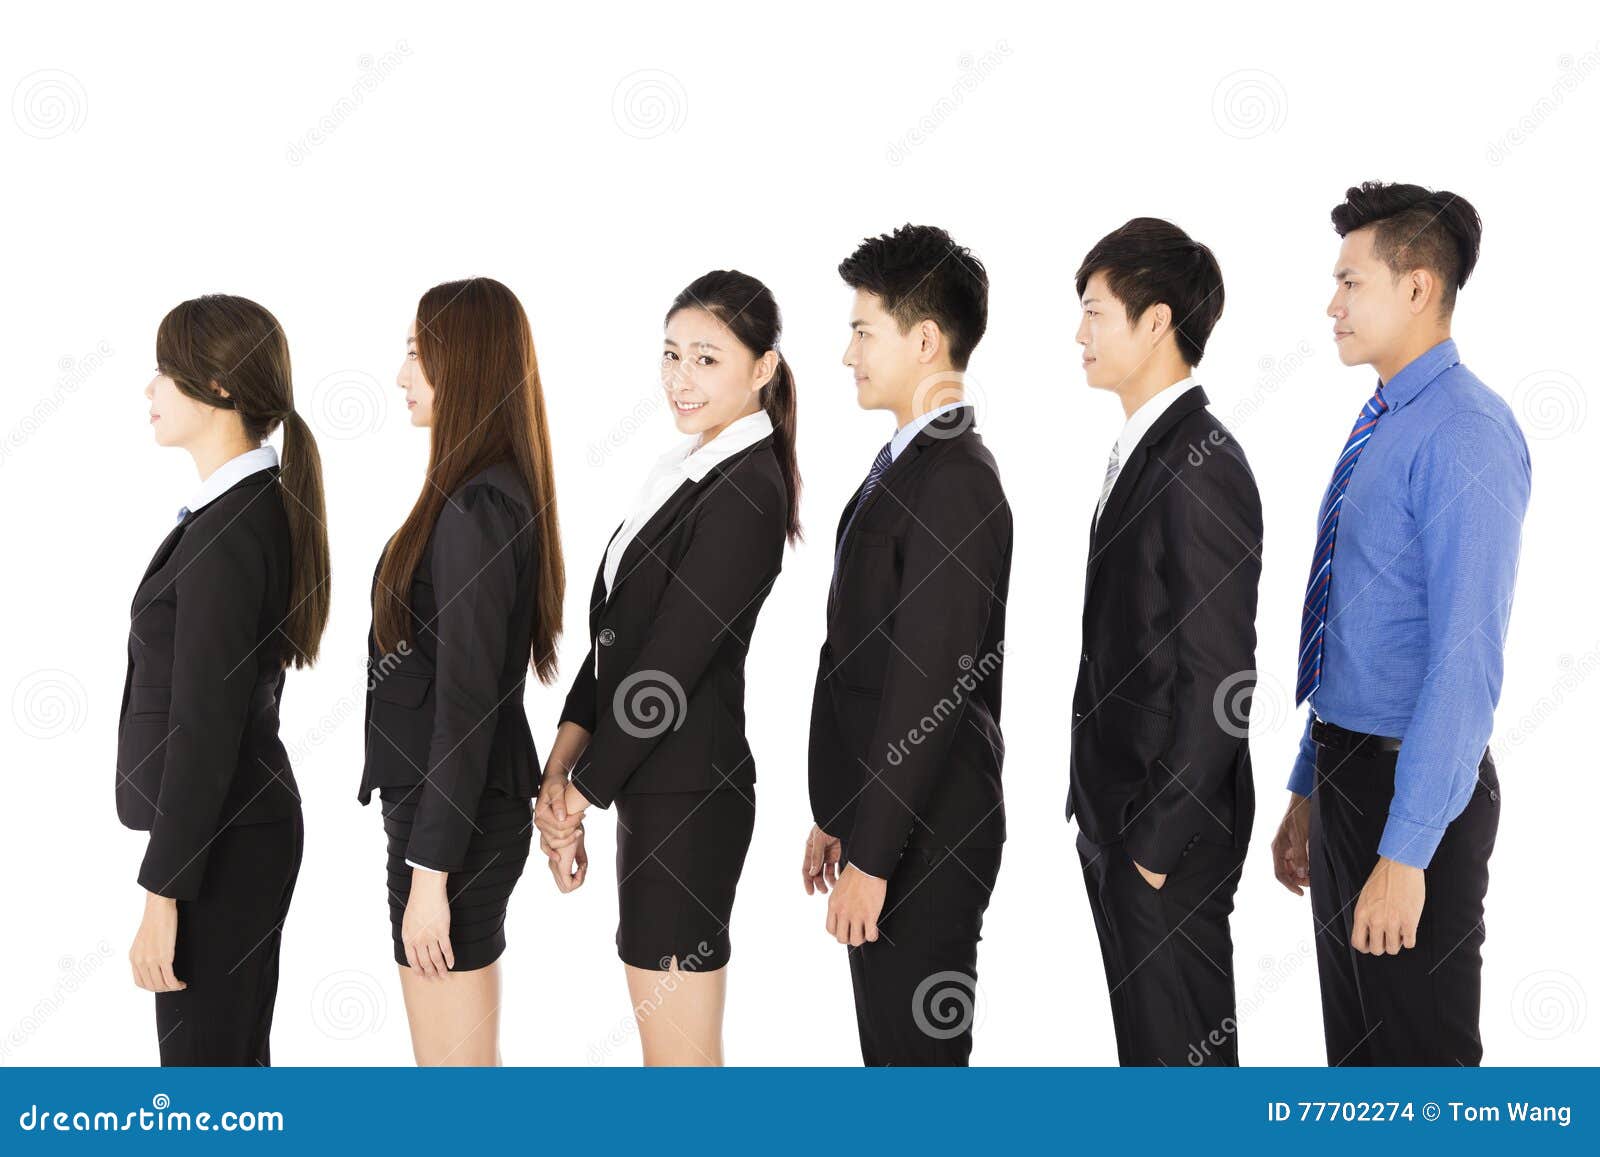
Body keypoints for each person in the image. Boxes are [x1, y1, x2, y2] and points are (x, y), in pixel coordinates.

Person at [1271, 182, 1530, 1065]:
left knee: (1422, 1081)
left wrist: (1408, 850)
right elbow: (1360, 621)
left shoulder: (1464, 431)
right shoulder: (1386, 417)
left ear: (1417, 287)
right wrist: (1309, 782)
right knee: (1358, 1069)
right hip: (1348, 774)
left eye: (1351, 282)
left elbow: (1466, 659)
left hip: (1414, 793)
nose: (1332, 305)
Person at [535, 270, 800, 1066]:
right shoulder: (687, 469)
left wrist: (579, 795)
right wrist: (558, 774)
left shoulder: (747, 488)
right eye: (671, 354)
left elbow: (669, 666)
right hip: (651, 790)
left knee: (680, 1066)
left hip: (690, 800)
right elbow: (613, 645)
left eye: (707, 359)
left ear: (762, 367)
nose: (681, 377)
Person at [803, 223, 1011, 1066]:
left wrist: (876, 853)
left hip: (929, 837)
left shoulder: (955, 477)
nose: (847, 353)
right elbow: (865, 657)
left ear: (925, 340)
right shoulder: (907, 464)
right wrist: (840, 816)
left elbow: (928, 684)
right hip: (890, 827)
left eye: (863, 331)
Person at [1069, 218, 1262, 1065]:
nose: (1079, 333)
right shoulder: (1146, 448)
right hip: (1120, 822)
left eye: (1095, 311)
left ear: (1155, 323)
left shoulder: (1200, 459)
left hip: (1165, 840)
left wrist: (1151, 847)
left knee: (1185, 1070)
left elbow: (1222, 678)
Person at [118, 293, 330, 1065]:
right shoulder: (236, 512)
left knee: (206, 1089)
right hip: (230, 834)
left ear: (219, 387)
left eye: (165, 372)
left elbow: (203, 726)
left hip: (223, 844)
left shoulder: (233, 527)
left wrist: (162, 894)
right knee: (227, 1072)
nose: (149, 389)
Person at [358, 277, 565, 1066]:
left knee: (454, 1086)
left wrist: (430, 873)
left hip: (452, 823)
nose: (402, 375)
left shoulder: (479, 505)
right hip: (448, 813)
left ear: (466, 365)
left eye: (418, 354)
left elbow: (468, 704)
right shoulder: (477, 493)